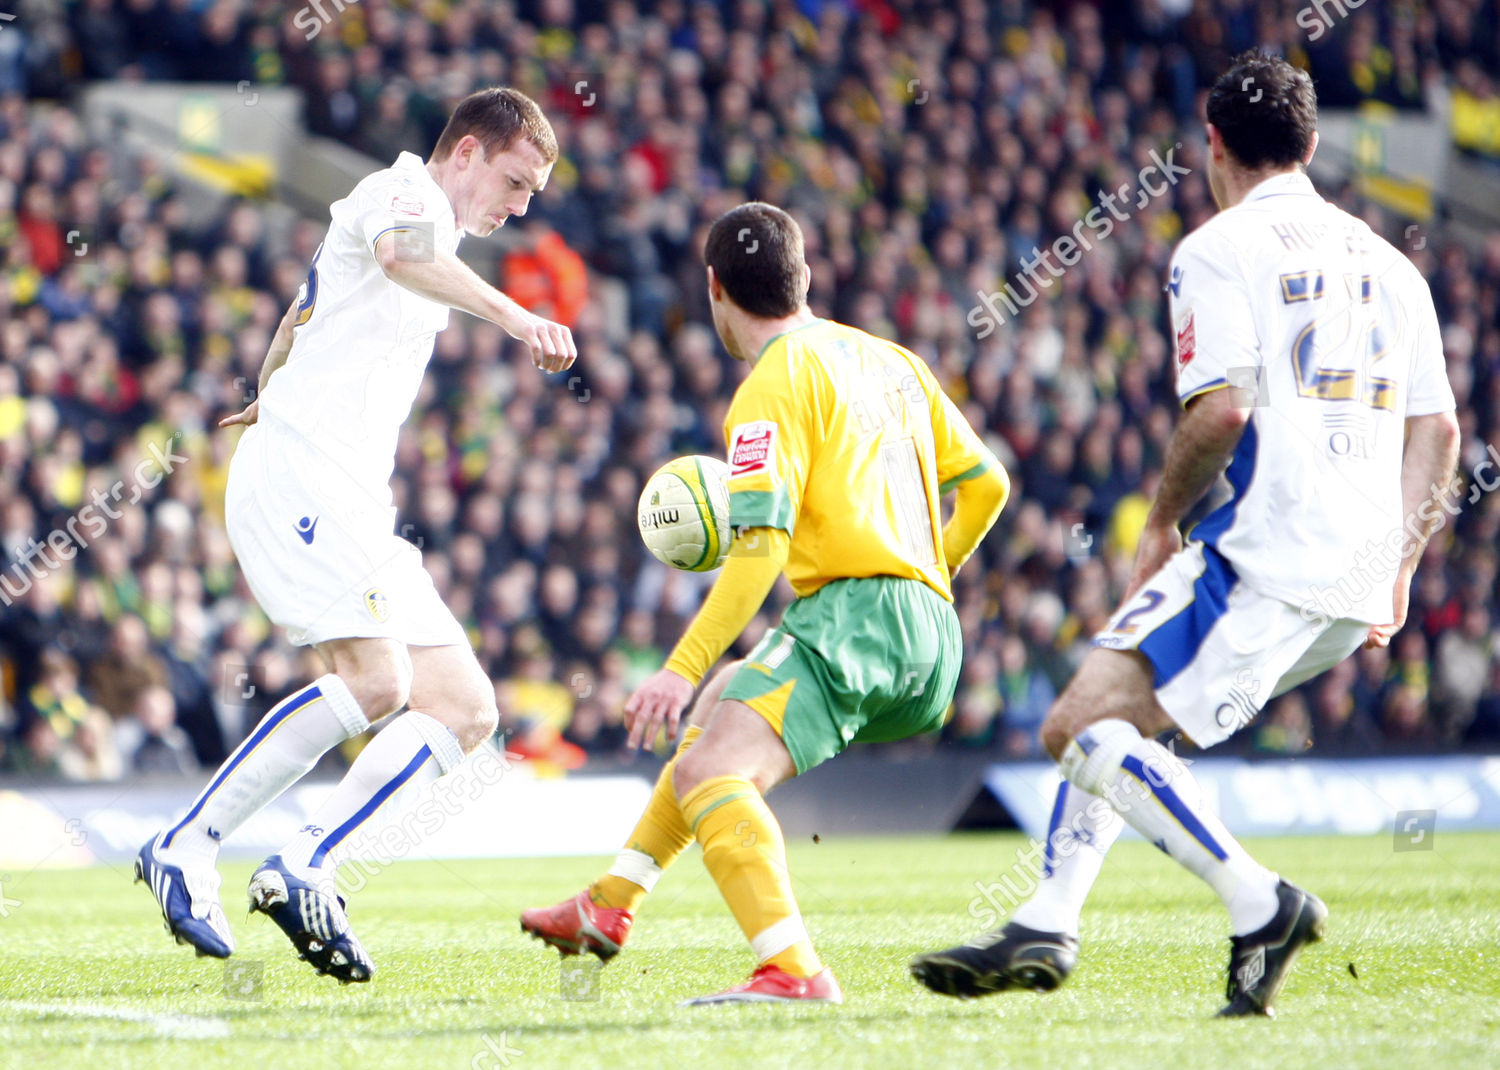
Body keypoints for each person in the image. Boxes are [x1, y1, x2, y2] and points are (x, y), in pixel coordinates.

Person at [909, 52, 1460, 1018]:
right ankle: (1048, 914)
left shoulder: (1215, 248)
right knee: (1117, 707)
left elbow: (1220, 416)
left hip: (1270, 548)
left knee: (1074, 727)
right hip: (1353, 577)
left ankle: (1261, 904)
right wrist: (1402, 567)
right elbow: (1441, 433)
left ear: (1212, 144)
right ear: (1314, 144)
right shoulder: (1393, 265)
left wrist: (1162, 520)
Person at [136, 87, 576, 983]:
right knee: (378, 680)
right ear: (465, 153)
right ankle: (186, 844)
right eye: (517, 180)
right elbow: (400, 254)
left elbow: (300, 315)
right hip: (303, 476)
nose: (523, 205)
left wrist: (264, 386)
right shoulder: (404, 196)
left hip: (343, 492)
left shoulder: (422, 224)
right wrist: (516, 314)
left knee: (463, 708)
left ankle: (307, 866)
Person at [521, 202, 1010, 1004]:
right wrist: (929, 573)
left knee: (712, 760)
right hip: (933, 635)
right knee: (721, 710)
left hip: (854, 616)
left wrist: (676, 668)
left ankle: (792, 968)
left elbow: (761, 551)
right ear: (806, 278)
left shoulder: (769, 387)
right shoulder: (890, 360)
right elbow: (988, 486)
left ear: (714, 289)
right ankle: (609, 906)